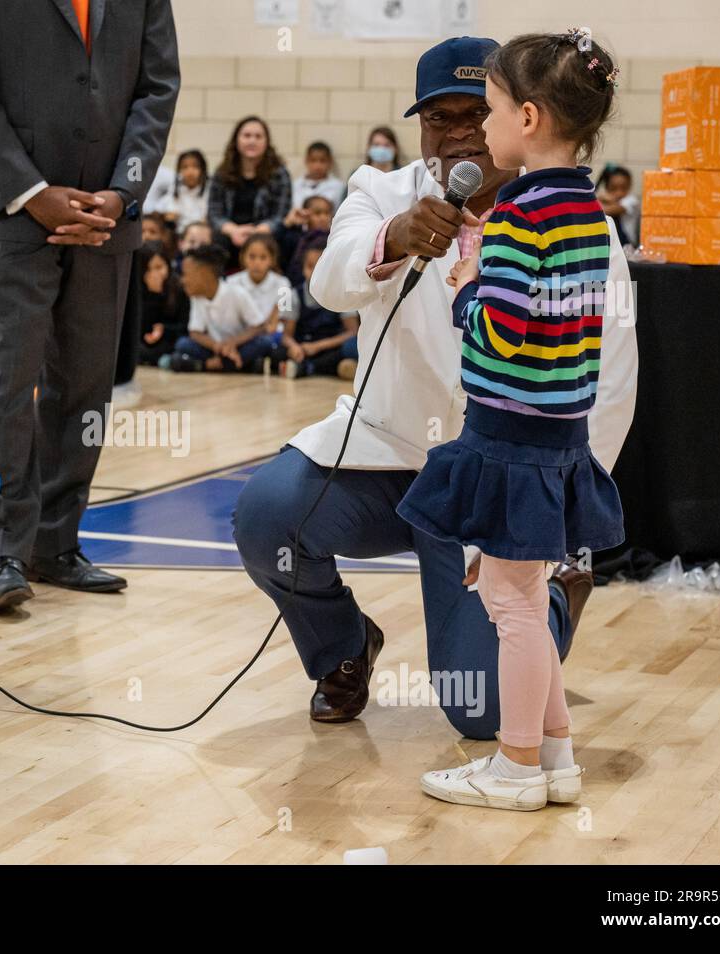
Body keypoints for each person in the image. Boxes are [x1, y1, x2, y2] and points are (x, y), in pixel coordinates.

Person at [231, 36, 638, 742]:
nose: (455, 134)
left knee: (478, 712)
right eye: (436, 119)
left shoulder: (578, 224)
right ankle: (343, 648)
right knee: (268, 517)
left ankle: (558, 595)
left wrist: (551, 520)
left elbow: (610, 381)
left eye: (473, 113)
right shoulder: (380, 193)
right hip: (388, 460)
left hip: (498, 482)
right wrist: (390, 239)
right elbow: (328, 285)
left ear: (517, 117)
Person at [403, 30, 625, 811]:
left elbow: (500, 331)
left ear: (527, 117)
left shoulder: (516, 217)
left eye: (491, 109)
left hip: (509, 436)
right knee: (525, 594)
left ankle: (517, 765)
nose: (484, 130)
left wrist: (466, 285)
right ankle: (556, 755)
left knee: (511, 602)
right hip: (561, 432)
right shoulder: (587, 210)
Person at [0, 0, 179, 613]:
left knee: (87, 384)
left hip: (106, 216)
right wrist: (31, 191)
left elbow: (158, 86)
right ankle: (3, 553)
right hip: (13, 212)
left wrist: (123, 192)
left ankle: (56, 543)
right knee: (11, 382)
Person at [167, 244, 271, 372]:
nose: (182, 280)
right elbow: (195, 332)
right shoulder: (196, 297)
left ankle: (210, 365)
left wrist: (232, 343)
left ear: (204, 274)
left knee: (264, 342)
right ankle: (237, 365)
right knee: (182, 344)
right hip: (214, 348)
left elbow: (259, 326)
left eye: (186, 274)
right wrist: (219, 346)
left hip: (239, 345)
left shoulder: (237, 292)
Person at [274, 240, 359, 380]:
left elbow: (352, 332)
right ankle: (312, 366)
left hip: (330, 347)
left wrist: (318, 346)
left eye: (320, 267)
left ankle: (307, 367)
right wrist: (294, 347)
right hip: (304, 348)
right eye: (309, 266)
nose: (314, 272)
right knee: (277, 350)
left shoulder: (343, 292)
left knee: (350, 347)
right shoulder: (289, 294)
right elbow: (286, 336)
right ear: (303, 269)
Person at [207, 116, 291, 255]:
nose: (252, 141)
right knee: (215, 239)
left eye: (258, 136)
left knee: (287, 238)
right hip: (230, 233)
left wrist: (257, 232)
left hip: (264, 232)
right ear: (236, 140)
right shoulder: (222, 172)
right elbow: (214, 213)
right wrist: (233, 230)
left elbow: (281, 214)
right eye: (247, 136)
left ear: (266, 142)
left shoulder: (279, 174)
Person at [135, 241, 188, 366]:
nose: (155, 274)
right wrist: (154, 295)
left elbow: (185, 326)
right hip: (144, 343)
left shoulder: (179, 288)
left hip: (170, 340)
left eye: (159, 267)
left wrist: (164, 330)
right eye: (148, 269)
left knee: (183, 345)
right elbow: (137, 326)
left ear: (168, 265)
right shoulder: (137, 289)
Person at [290, 140, 344, 210]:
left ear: (330, 162)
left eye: (322, 160)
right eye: (313, 160)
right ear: (306, 161)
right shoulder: (295, 185)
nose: (317, 166)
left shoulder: (339, 187)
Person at [596, 163, 639, 246]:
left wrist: (603, 198)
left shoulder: (632, 201)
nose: (619, 193)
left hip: (627, 246)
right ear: (607, 187)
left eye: (623, 188)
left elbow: (608, 210)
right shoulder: (603, 200)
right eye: (613, 188)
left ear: (629, 185)